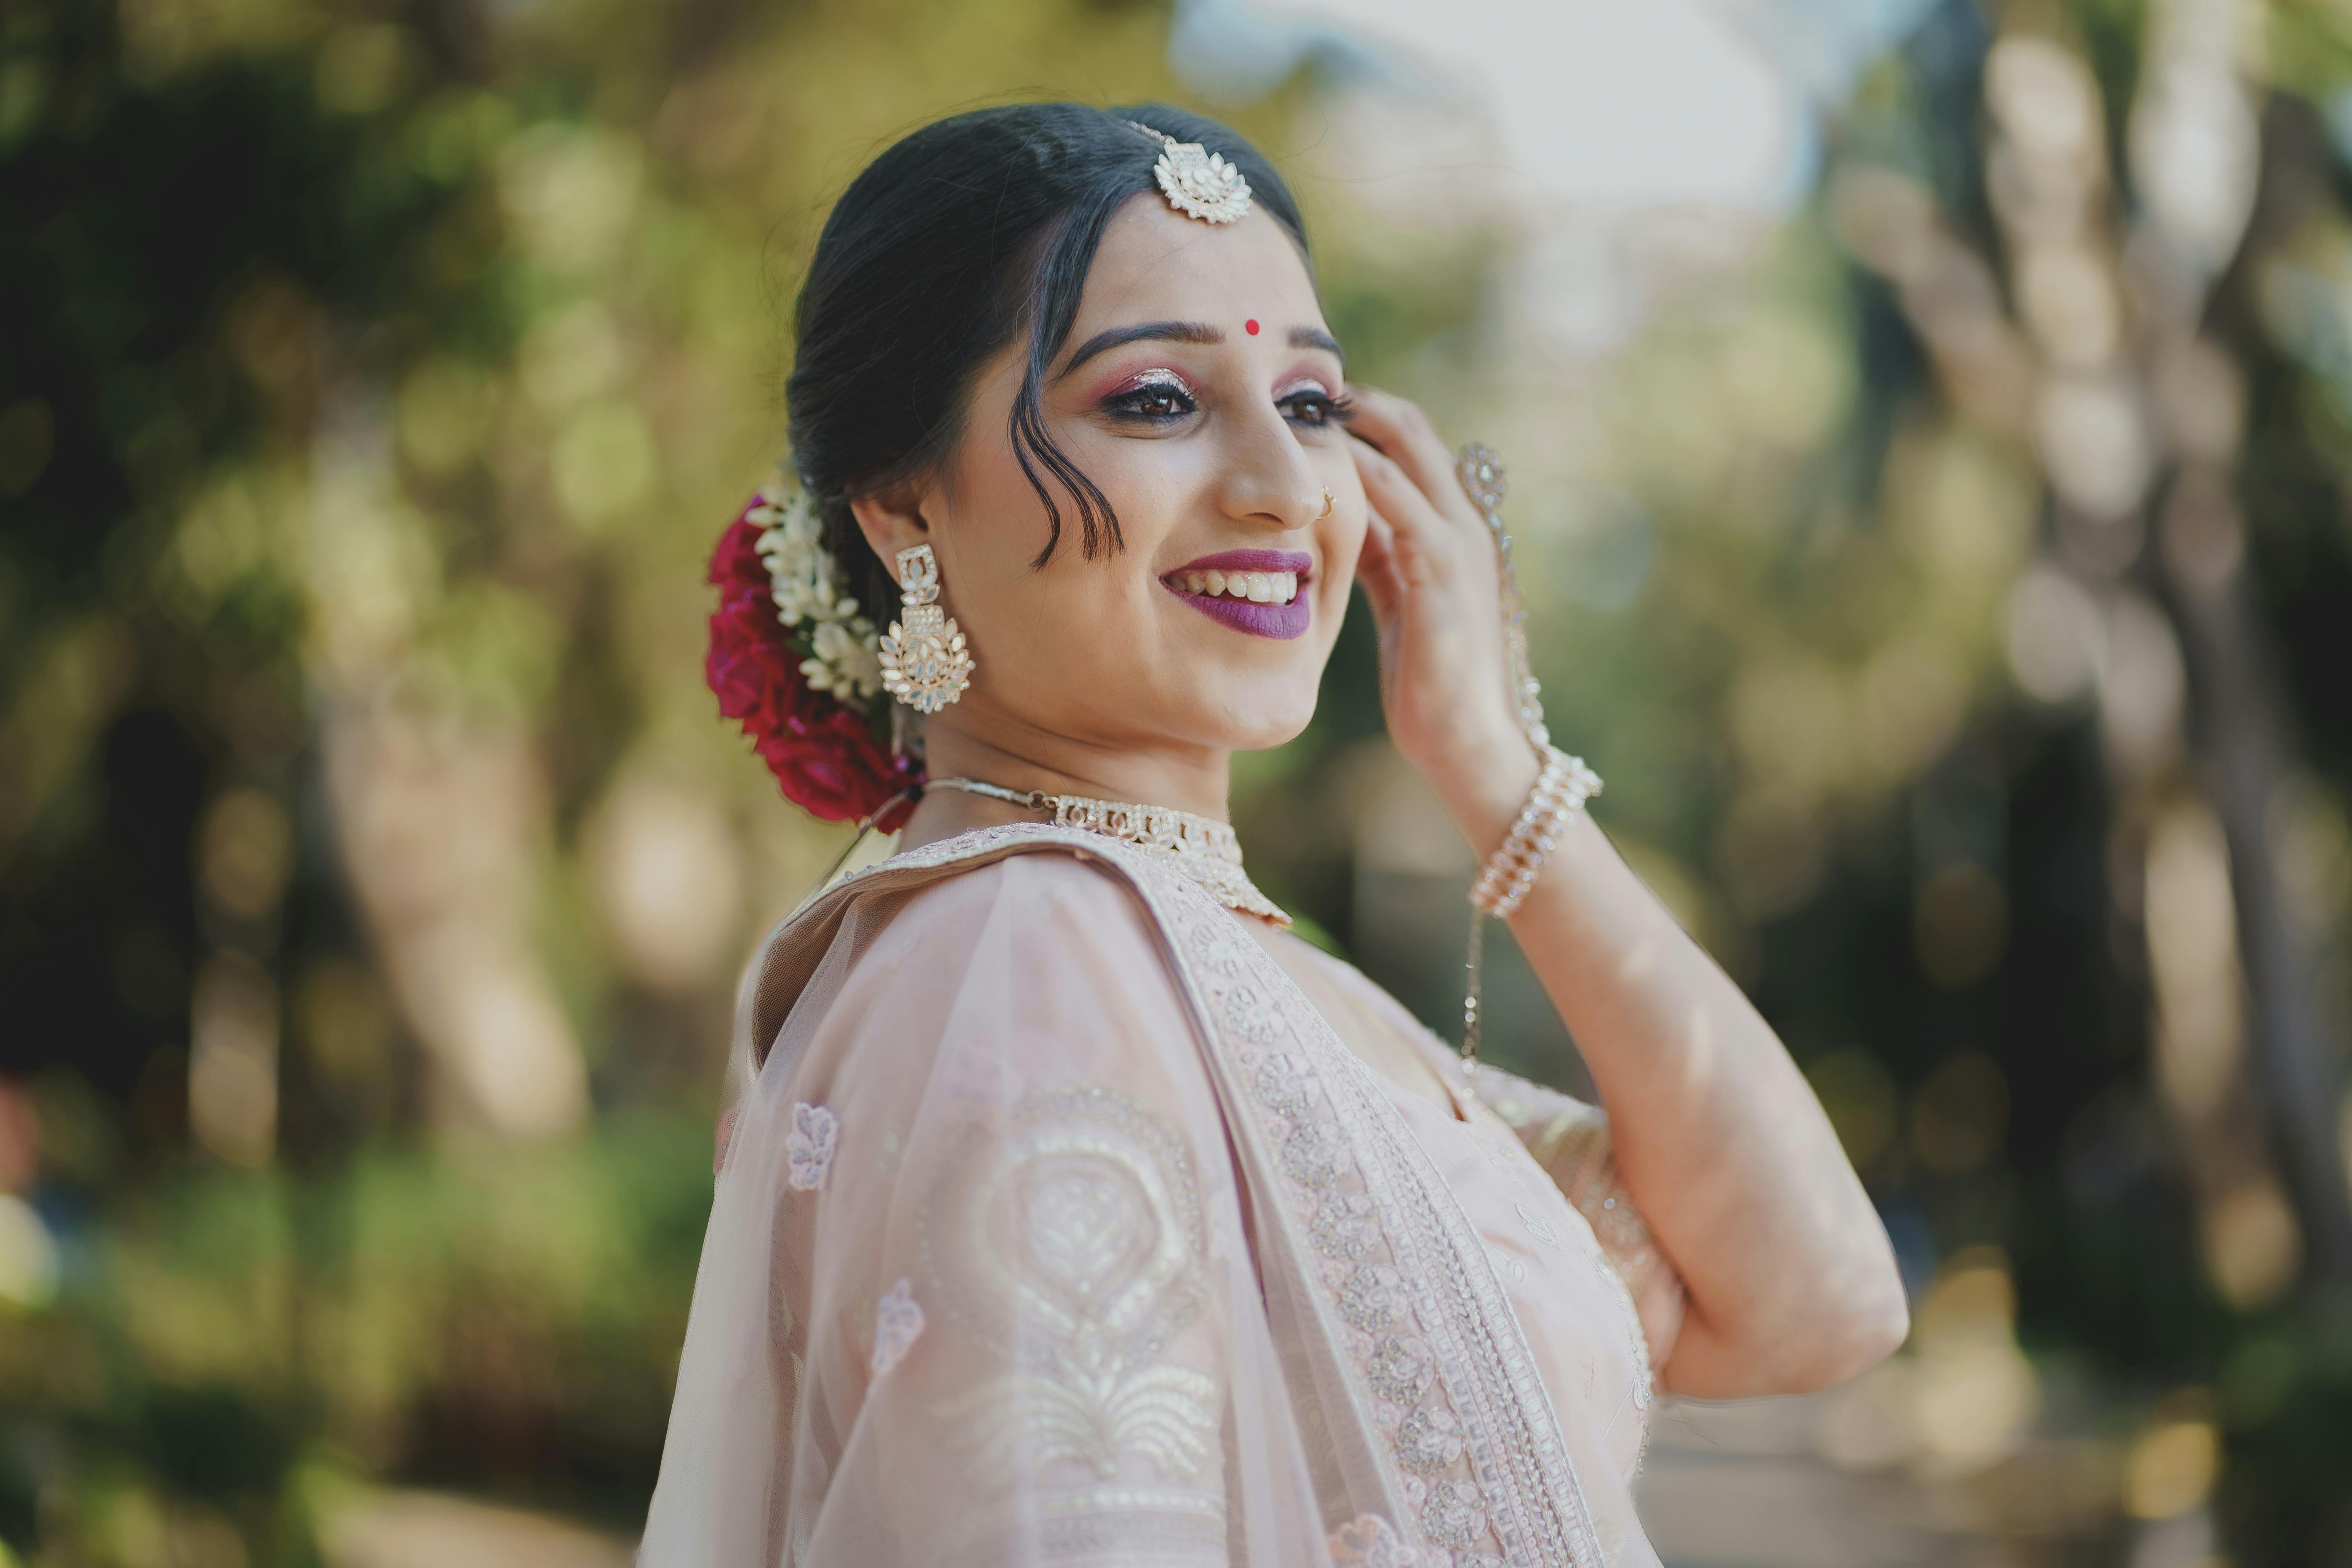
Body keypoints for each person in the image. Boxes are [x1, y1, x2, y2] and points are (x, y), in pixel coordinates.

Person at [642, 103, 1908, 1568]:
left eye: (1311, 405)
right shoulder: (1034, 952)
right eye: (1158, 400)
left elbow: (1818, 1300)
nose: (1281, 486)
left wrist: (1496, 768)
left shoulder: (1251, 981)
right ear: (903, 507)